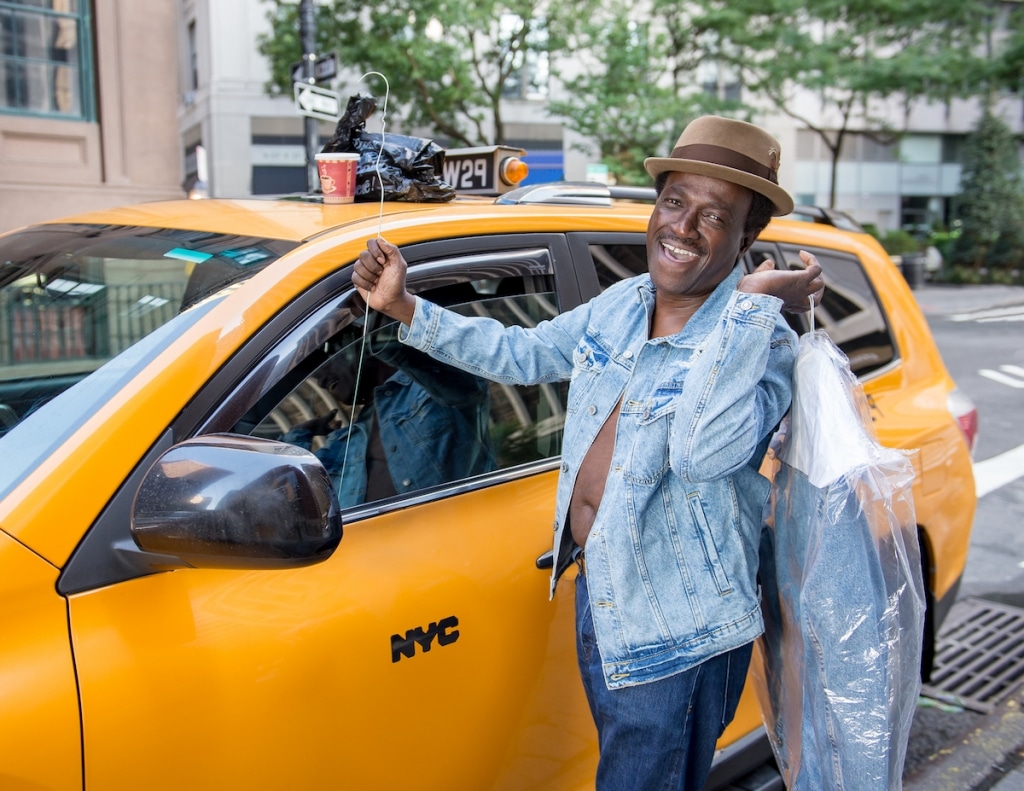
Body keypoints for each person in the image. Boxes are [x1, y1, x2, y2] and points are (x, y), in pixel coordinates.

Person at [352, 115, 825, 790]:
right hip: (601, 593)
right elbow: (524, 350)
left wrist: (750, 307)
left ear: (749, 236)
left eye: (714, 215)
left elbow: (701, 454)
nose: (683, 227)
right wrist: (404, 307)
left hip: (678, 631)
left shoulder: (764, 344)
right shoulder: (624, 303)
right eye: (674, 201)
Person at [283, 335, 493, 507]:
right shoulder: (343, 443)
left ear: (360, 345)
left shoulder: (433, 390)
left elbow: (463, 379)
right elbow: (294, 497)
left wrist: (386, 339)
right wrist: (299, 434)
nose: (319, 379)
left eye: (325, 360)